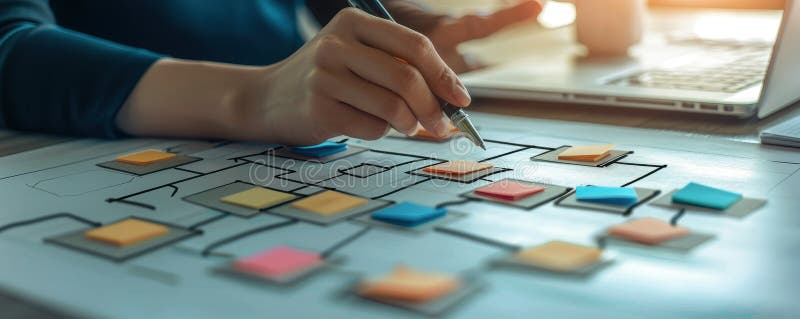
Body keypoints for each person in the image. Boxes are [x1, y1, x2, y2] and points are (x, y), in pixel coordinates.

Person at [0, 0, 540, 145]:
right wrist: (252, 97)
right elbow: (12, 46)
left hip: (306, 126)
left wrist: (425, 33)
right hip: (184, 137)